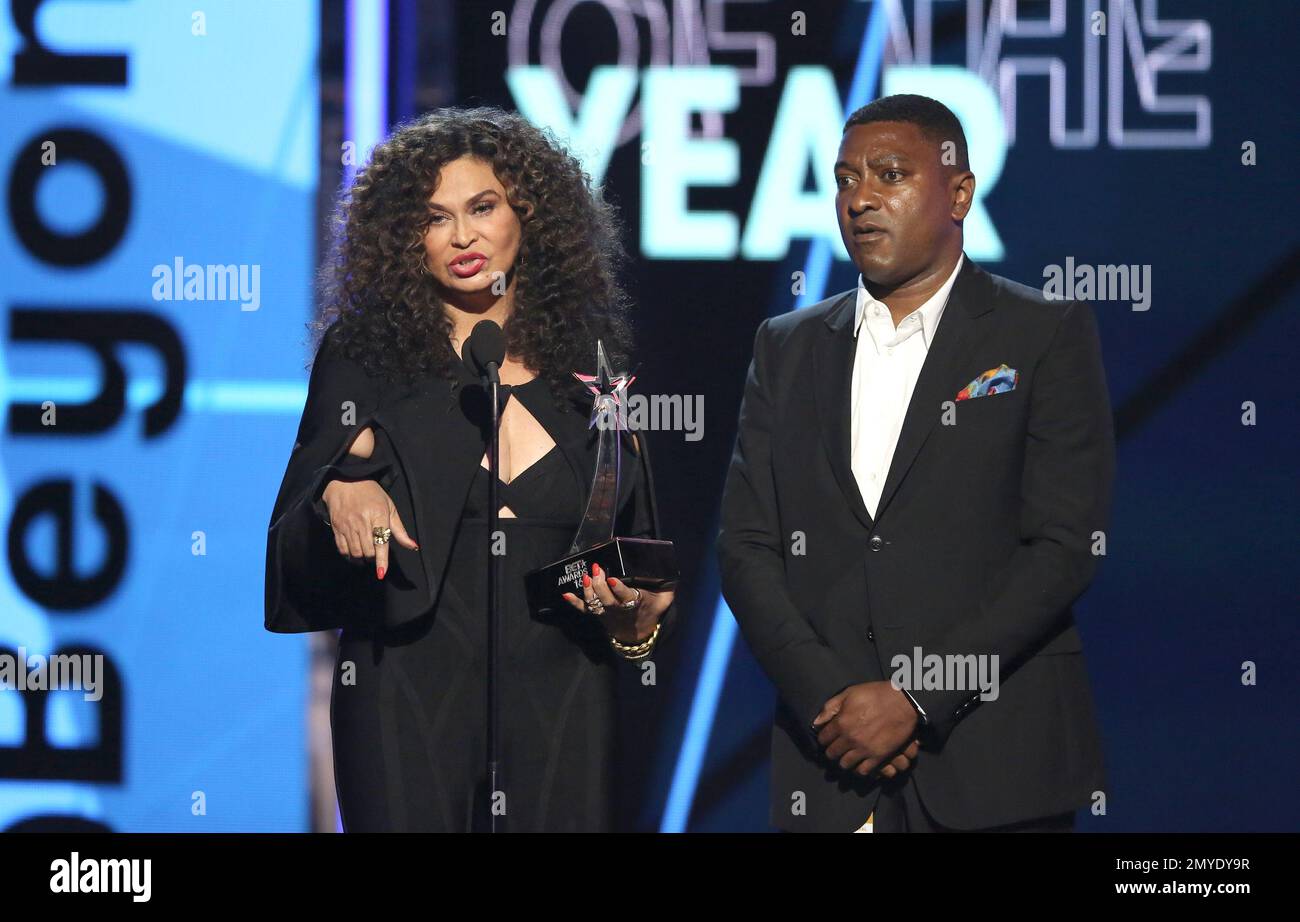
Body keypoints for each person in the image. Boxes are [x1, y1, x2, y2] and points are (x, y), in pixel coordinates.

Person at [264, 107, 676, 832]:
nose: (461, 237)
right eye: (434, 218)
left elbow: (638, 566)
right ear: (403, 238)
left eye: (482, 207)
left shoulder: (593, 368)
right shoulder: (366, 356)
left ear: (529, 213)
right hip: (406, 691)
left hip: (567, 694)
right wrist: (337, 493)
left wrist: (633, 622)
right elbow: (291, 551)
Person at [717, 94, 1114, 833]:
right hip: (831, 767)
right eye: (843, 180)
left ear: (959, 192)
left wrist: (915, 697)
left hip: (997, 768)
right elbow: (746, 548)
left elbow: (1063, 548)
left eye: (890, 174)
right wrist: (835, 704)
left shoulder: (1042, 332)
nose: (860, 198)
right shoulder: (787, 345)